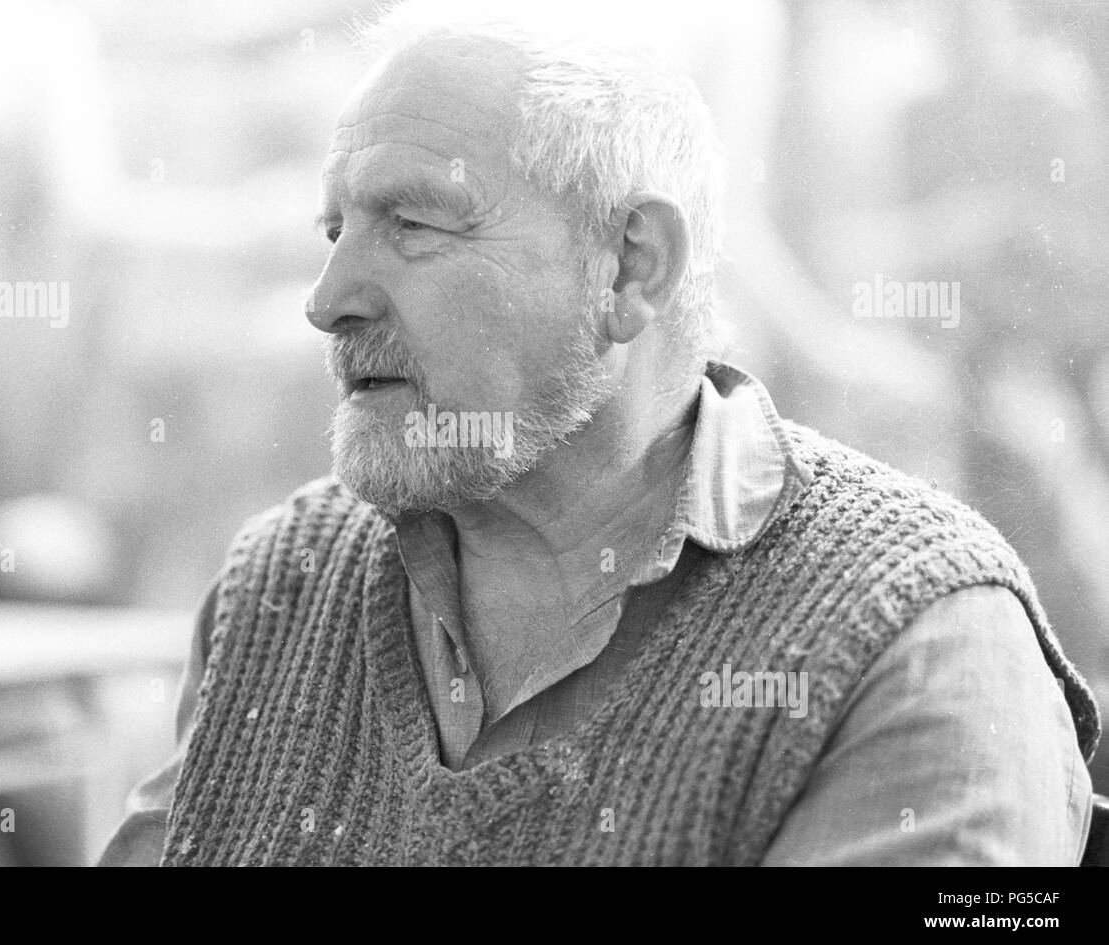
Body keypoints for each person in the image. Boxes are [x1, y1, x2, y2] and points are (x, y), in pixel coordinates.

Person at [100, 0, 1099, 866]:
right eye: (335, 232)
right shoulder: (276, 587)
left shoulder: (910, 629)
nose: (327, 302)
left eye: (412, 224)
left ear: (631, 266)